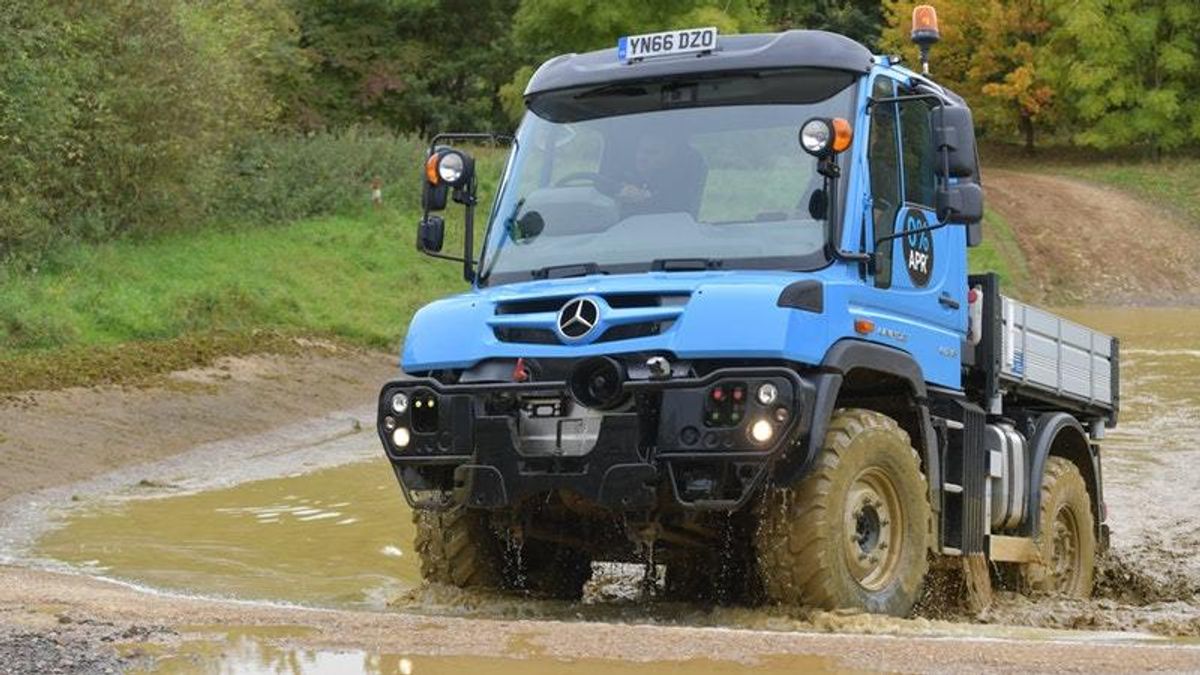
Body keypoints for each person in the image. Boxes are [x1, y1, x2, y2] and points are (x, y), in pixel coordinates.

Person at [613, 134, 706, 217]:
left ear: (669, 155)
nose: (641, 157)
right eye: (640, 150)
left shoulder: (679, 184)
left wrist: (645, 197)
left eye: (652, 152)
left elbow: (679, 205)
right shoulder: (620, 175)